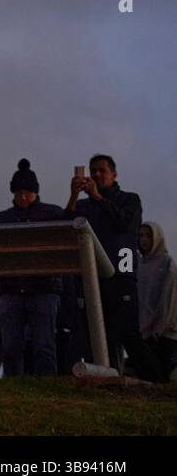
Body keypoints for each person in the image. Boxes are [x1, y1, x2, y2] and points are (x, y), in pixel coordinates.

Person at [65, 154, 162, 380]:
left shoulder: (130, 199)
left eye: (102, 171)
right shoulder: (83, 205)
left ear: (114, 174)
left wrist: (98, 197)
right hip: (90, 278)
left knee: (128, 334)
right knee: (91, 335)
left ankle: (157, 380)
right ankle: (102, 378)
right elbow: (67, 227)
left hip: (122, 275)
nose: (97, 175)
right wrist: (73, 195)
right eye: (93, 171)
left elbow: (125, 224)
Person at [0, 159, 63, 376]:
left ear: (35, 192)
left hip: (43, 287)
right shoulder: (2, 218)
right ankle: (14, 388)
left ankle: (47, 386)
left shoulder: (52, 214)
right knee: (11, 346)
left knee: (44, 344)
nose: (23, 197)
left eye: (27, 192)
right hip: (12, 288)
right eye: (19, 192)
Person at [138, 222, 177, 381]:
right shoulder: (137, 264)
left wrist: (159, 328)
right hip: (144, 331)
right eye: (141, 235)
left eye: (148, 235)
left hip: (165, 332)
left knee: (162, 377)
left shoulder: (166, 263)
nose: (144, 240)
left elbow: (169, 299)